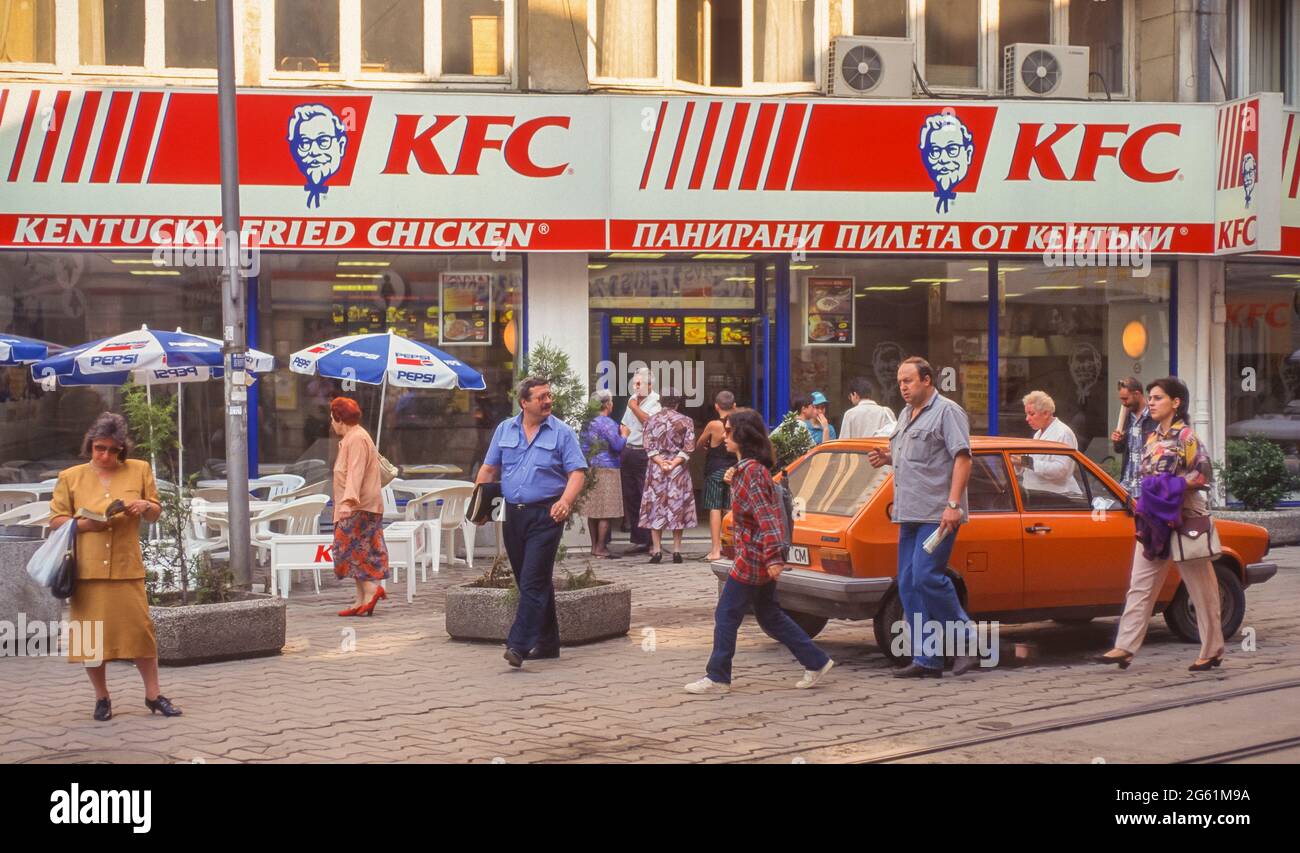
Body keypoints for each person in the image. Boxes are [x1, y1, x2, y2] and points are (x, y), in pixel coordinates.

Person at [684, 410, 834, 694]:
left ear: (743, 435)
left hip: (753, 558)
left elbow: (768, 517)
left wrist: (774, 558)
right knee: (769, 615)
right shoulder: (748, 470)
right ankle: (816, 660)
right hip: (757, 555)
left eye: (729, 431)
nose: (724, 436)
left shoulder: (752, 472)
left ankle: (718, 677)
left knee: (726, 614)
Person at [48, 412, 181, 721]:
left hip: (126, 566)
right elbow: (56, 520)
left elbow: (155, 512)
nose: (105, 455)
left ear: (122, 449)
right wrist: (86, 525)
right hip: (87, 570)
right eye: (100, 448)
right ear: (90, 446)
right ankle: (102, 697)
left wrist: (146, 505)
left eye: (112, 449)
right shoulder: (71, 477)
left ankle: (153, 695)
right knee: (91, 639)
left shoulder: (139, 469)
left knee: (141, 633)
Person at [1098, 377, 1225, 672]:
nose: (1151, 403)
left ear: (1176, 402)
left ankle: (1212, 649)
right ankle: (1124, 647)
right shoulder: (1151, 438)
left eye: (1158, 398)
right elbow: (1143, 474)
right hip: (1155, 517)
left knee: (1201, 589)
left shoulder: (1187, 437)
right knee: (1140, 584)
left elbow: (1204, 474)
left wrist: (1172, 485)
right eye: (1151, 398)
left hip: (1186, 516)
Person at [868, 357, 980, 678]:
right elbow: (915, 456)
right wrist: (888, 457)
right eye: (900, 382)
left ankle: (968, 640)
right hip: (909, 513)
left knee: (926, 577)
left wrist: (953, 505)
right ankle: (927, 659)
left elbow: (963, 459)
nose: (902, 387)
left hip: (937, 515)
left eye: (908, 381)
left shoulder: (948, 412)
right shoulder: (906, 413)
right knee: (908, 584)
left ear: (927, 380)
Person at [477, 377, 587, 668]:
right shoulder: (505, 429)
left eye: (549, 395)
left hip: (546, 515)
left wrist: (565, 502)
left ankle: (518, 644)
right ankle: (548, 644)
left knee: (533, 579)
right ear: (524, 402)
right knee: (532, 580)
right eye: (541, 397)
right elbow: (488, 469)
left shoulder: (562, 433)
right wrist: (478, 509)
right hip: (513, 515)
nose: (548, 401)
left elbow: (577, 472)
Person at [330, 397, 390, 617]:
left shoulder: (356, 438)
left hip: (359, 506)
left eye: (332, 417)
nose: (331, 422)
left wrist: (348, 502)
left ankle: (372, 590)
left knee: (346, 549)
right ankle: (361, 599)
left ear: (339, 418)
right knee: (359, 551)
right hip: (361, 505)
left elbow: (355, 472)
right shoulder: (352, 438)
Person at [640, 394, 698, 564]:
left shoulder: (651, 420)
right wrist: (674, 463)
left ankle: (657, 550)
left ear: (661, 403)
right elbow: (688, 447)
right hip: (678, 468)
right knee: (677, 505)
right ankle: (676, 551)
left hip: (656, 468)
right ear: (677, 404)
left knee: (655, 506)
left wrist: (660, 462)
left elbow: (648, 446)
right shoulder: (686, 421)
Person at [577, 390, 625, 559]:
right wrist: (625, 435)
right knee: (606, 510)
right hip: (608, 469)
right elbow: (617, 446)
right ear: (607, 404)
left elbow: (583, 447)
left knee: (593, 510)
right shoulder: (608, 423)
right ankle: (601, 547)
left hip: (591, 468)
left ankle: (593, 546)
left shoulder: (587, 423)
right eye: (611, 401)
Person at [619, 368, 662, 554]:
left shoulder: (656, 402)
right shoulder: (633, 399)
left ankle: (652, 542)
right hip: (629, 451)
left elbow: (649, 422)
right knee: (631, 497)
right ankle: (639, 540)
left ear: (649, 385)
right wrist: (623, 436)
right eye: (634, 383)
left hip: (645, 453)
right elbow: (624, 424)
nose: (635, 387)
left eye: (639, 383)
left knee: (647, 497)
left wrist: (634, 407)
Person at [1014, 390, 1084, 499]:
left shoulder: (1063, 433)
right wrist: (1018, 463)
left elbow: (1060, 470)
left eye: (1031, 414)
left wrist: (1025, 461)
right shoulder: (1038, 434)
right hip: (1038, 496)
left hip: (1058, 498)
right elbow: (1032, 464)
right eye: (1026, 414)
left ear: (1046, 413)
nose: (1027, 419)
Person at [697, 391, 738, 562]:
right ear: (734, 406)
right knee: (730, 508)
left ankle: (715, 550)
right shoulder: (738, 424)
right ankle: (732, 548)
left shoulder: (713, 425)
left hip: (715, 469)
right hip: (733, 470)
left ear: (716, 406)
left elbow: (699, 443)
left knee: (714, 507)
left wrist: (708, 443)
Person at [1111, 376, 1156, 500]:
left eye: (1126, 398)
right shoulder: (1127, 416)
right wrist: (1117, 441)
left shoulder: (1154, 417)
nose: (1123, 403)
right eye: (1121, 399)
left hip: (1146, 487)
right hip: (1127, 485)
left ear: (1137, 394)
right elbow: (1120, 450)